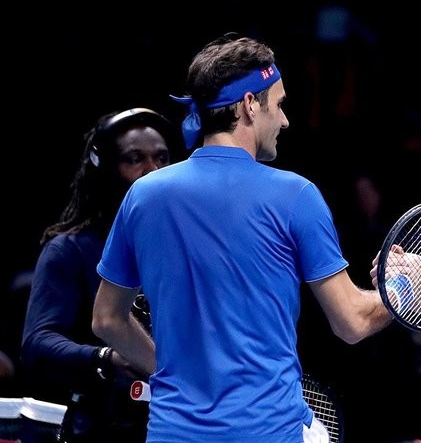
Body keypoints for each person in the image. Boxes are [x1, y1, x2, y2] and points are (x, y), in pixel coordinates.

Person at [90, 32, 394, 443]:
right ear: (251, 105)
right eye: (280, 103)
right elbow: (353, 322)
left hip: (171, 433)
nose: (285, 120)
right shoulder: (295, 195)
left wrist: (169, 370)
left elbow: (107, 319)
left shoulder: (143, 196)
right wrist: (401, 293)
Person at [20, 108, 180, 443]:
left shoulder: (186, 248)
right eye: (134, 159)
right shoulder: (70, 250)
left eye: (161, 158)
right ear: (106, 170)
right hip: (101, 427)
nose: (152, 171)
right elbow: (38, 343)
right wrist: (105, 358)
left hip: (183, 423)